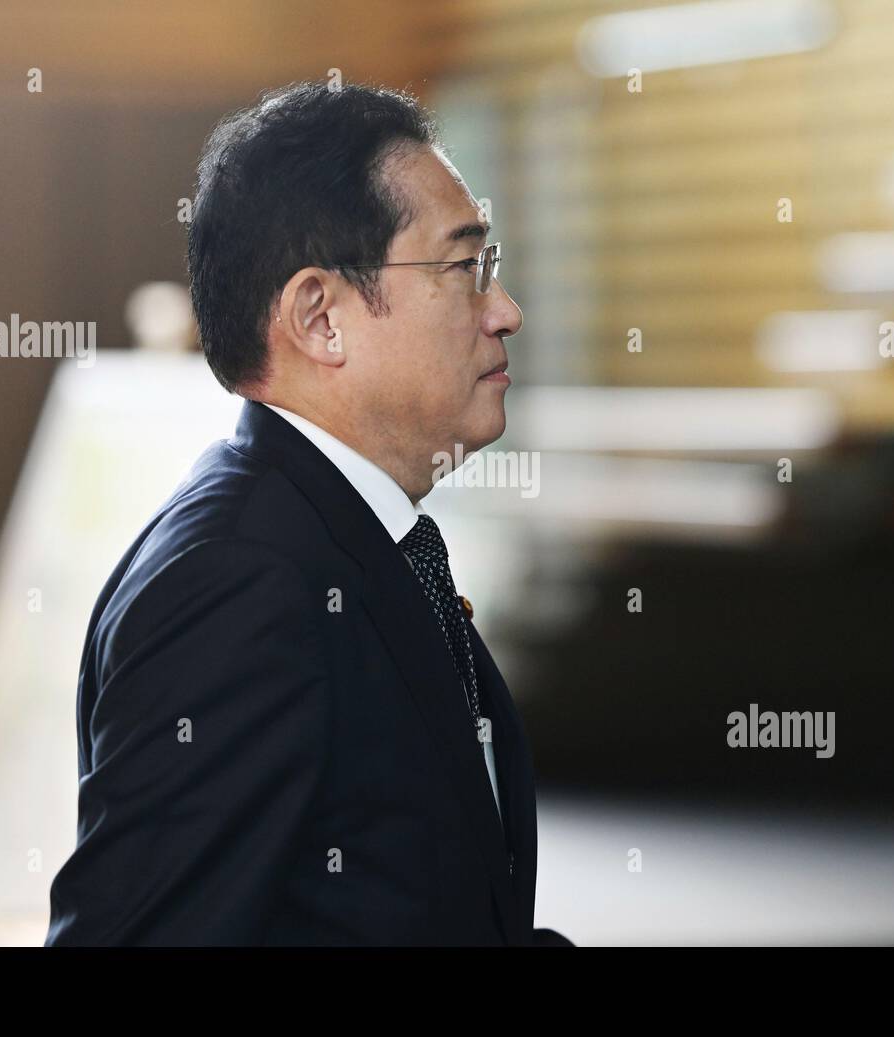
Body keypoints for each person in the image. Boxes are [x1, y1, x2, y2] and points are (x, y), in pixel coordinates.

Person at [45, 80, 573, 946]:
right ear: (321, 318)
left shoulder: (349, 538)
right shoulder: (236, 584)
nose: (505, 310)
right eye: (464, 267)